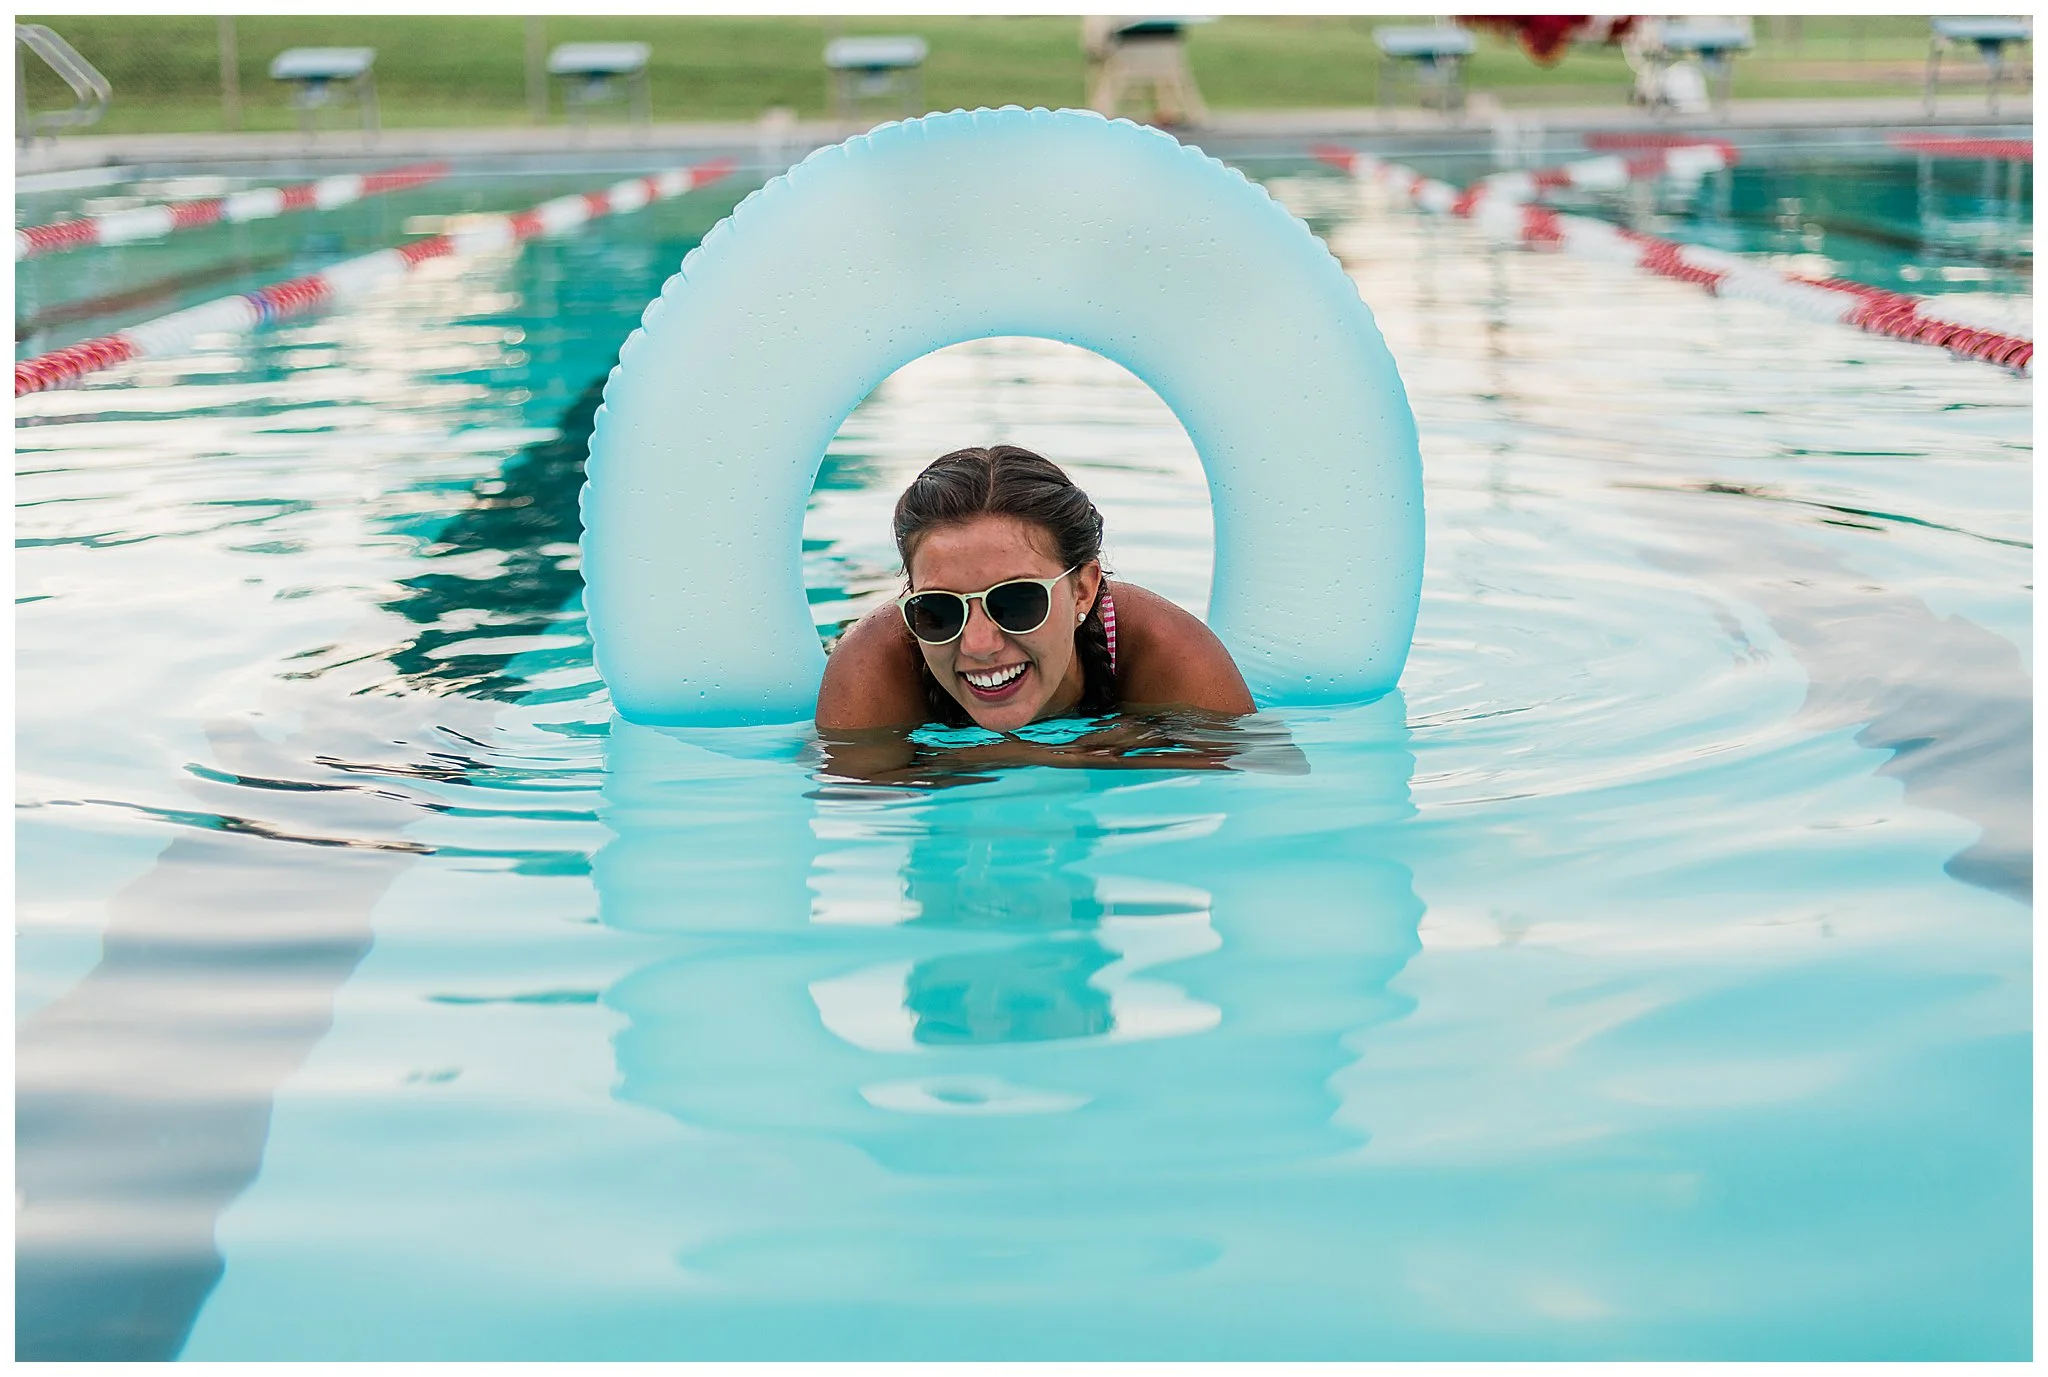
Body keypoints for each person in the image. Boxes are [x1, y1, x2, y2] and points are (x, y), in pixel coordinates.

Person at [817, 445, 1254, 739]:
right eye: (938, 610)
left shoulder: (1168, 650)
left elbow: (1260, 791)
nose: (979, 645)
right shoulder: (872, 662)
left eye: (1017, 601)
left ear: (1082, 590)